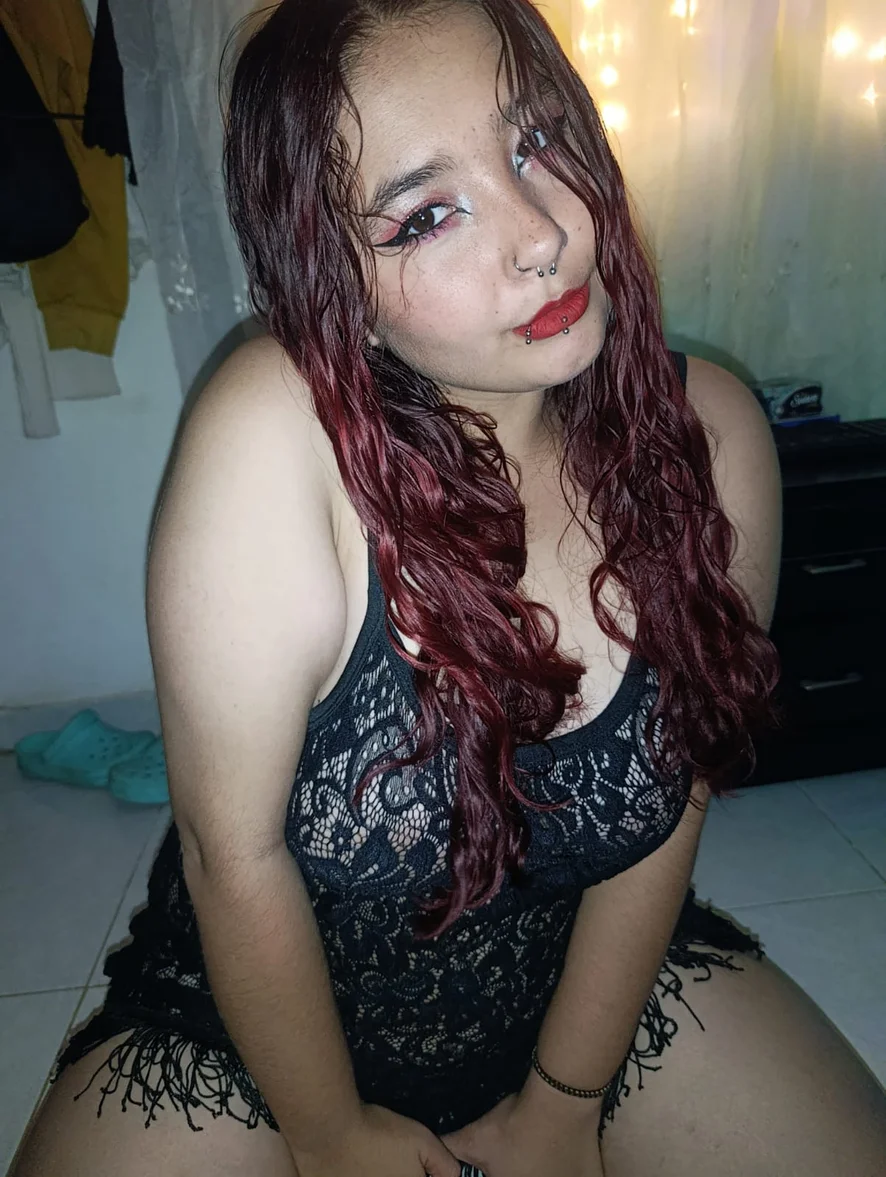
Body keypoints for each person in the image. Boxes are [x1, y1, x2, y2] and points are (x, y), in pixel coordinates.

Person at [12, 2, 886, 1175]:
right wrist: (329, 1134)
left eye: (536, 140)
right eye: (427, 214)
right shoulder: (270, 441)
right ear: (331, 278)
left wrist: (566, 1097)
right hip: (255, 1025)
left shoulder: (710, 440)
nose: (541, 234)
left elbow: (672, 797)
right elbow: (235, 858)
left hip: (580, 978)